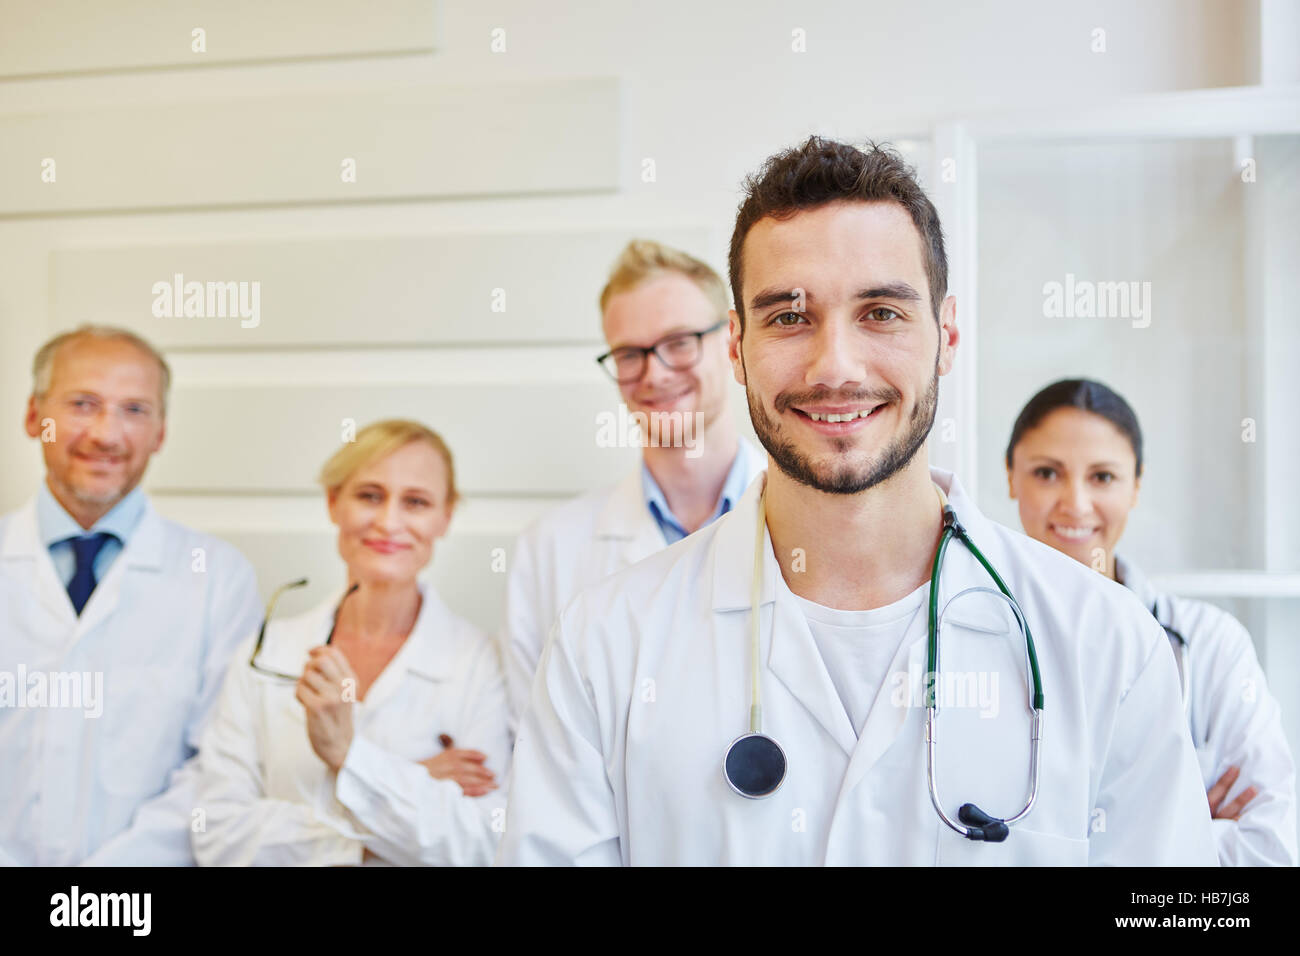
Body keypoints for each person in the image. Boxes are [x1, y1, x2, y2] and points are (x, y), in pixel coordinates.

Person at [496, 137, 1217, 866]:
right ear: (738, 350)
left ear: (948, 336)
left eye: (881, 313)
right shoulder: (604, 646)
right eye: (788, 317)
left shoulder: (1106, 646)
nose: (834, 367)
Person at [1005, 378, 1297, 866]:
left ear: (1137, 486)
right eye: (1047, 473)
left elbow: (1271, 849)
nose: (1075, 503)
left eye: (1102, 477)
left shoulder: (1211, 646)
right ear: (1011, 476)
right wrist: (1175, 826)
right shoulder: (963, 639)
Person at [193, 419, 510, 866]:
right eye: (369, 496)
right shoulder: (266, 653)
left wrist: (349, 758)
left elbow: (485, 843)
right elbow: (218, 836)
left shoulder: (481, 663)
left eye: (416, 502)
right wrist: (408, 783)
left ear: (445, 516)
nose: (388, 522)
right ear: (333, 502)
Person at [0, 325, 261, 865]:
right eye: (82, 404)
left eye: (135, 410)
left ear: (161, 432)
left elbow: (221, 764)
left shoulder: (217, 578)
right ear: (33, 416)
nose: (106, 434)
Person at [501, 239, 765, 726]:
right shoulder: (550, 549)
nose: (654, 374)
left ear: (732, 342)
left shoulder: (808, 523)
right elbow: (534, 737)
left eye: (679, 343)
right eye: (629, 354)